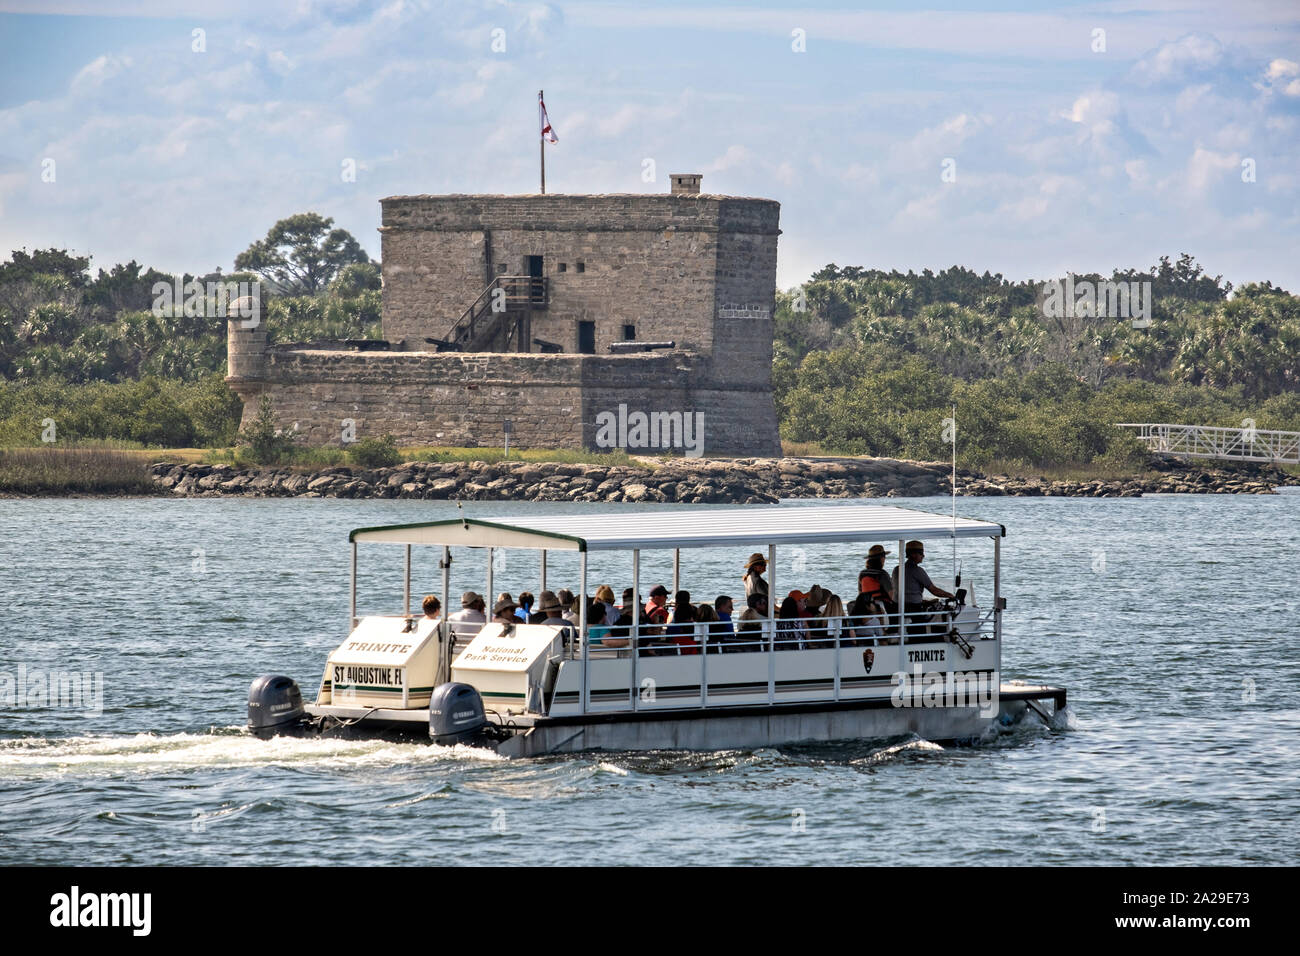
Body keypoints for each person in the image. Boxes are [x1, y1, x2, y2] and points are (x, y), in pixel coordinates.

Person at [892, 540, 954, 639]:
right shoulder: (918, 571)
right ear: (913, 554)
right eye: (921, 553)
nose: (923, 556)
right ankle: (920, 641)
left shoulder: (896, 569)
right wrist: (950, 595)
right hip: (913, 609)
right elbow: (934, 590)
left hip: (896, 607)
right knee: (924, 625)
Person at [664, 590, 699, 655]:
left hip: (673, 650)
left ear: (676, 600)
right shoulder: (694, 610)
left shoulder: (672, 613)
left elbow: (667, 626)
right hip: (691, 648)